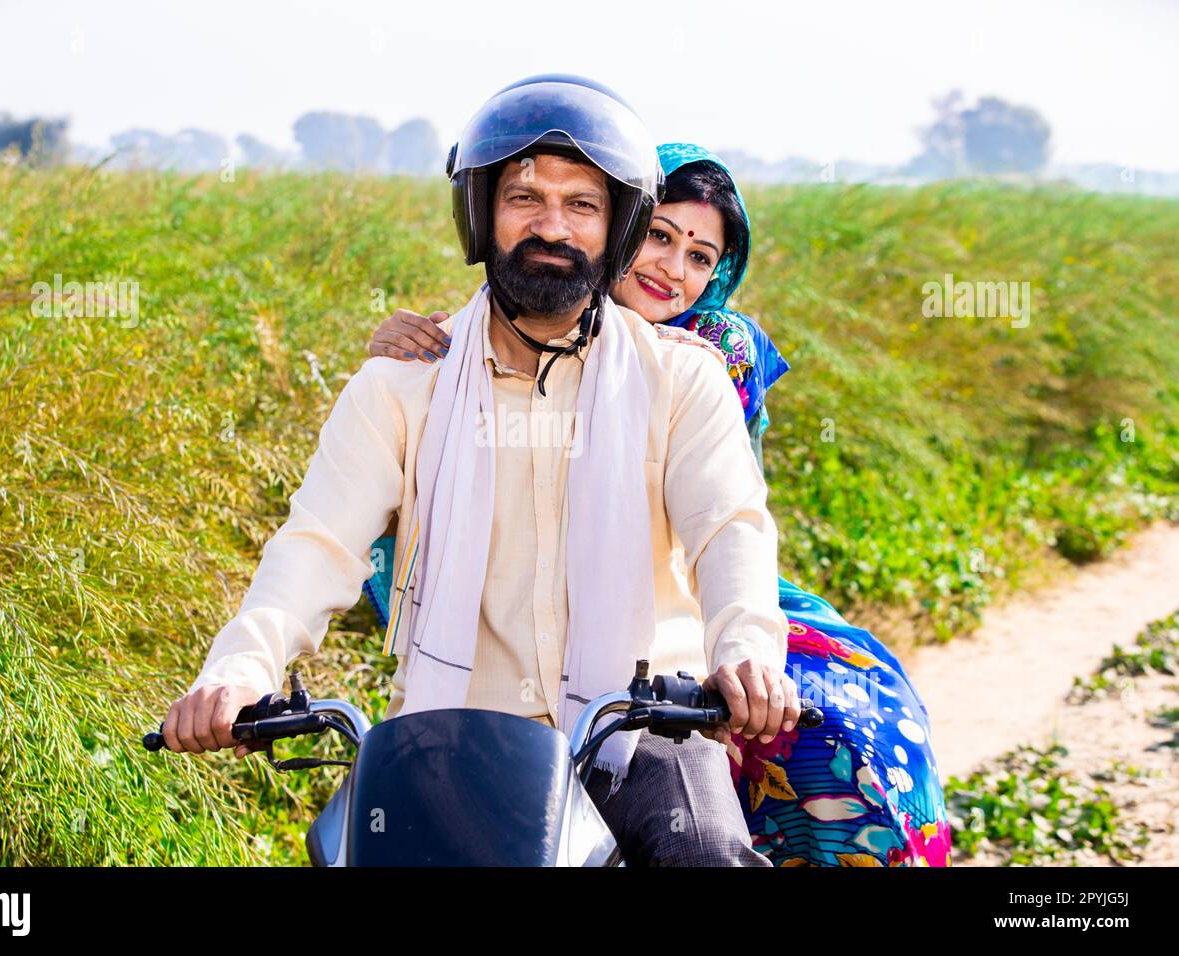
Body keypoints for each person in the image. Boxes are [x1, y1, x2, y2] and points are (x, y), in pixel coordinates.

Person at [163, 75, 801, 867]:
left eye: (583, 205)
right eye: (524, 197)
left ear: (617, 227)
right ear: (480, 214)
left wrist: (745, 649)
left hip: (643, 730)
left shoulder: (683, 379)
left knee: (703, 854)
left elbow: (728, 529)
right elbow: (318, 544)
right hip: (452, 735)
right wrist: (237, 669)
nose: (552, 226)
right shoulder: (401, 385)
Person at [366, 142, 952, 867]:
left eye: (701, 257)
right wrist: (402, 355)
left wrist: (745, 650)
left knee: (837, 729)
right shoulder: (508, 322)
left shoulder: (708, 352)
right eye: (661, 236)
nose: (674, 269)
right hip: (511, 641)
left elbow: (724, 527)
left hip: (680, 600)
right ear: (620, 224)